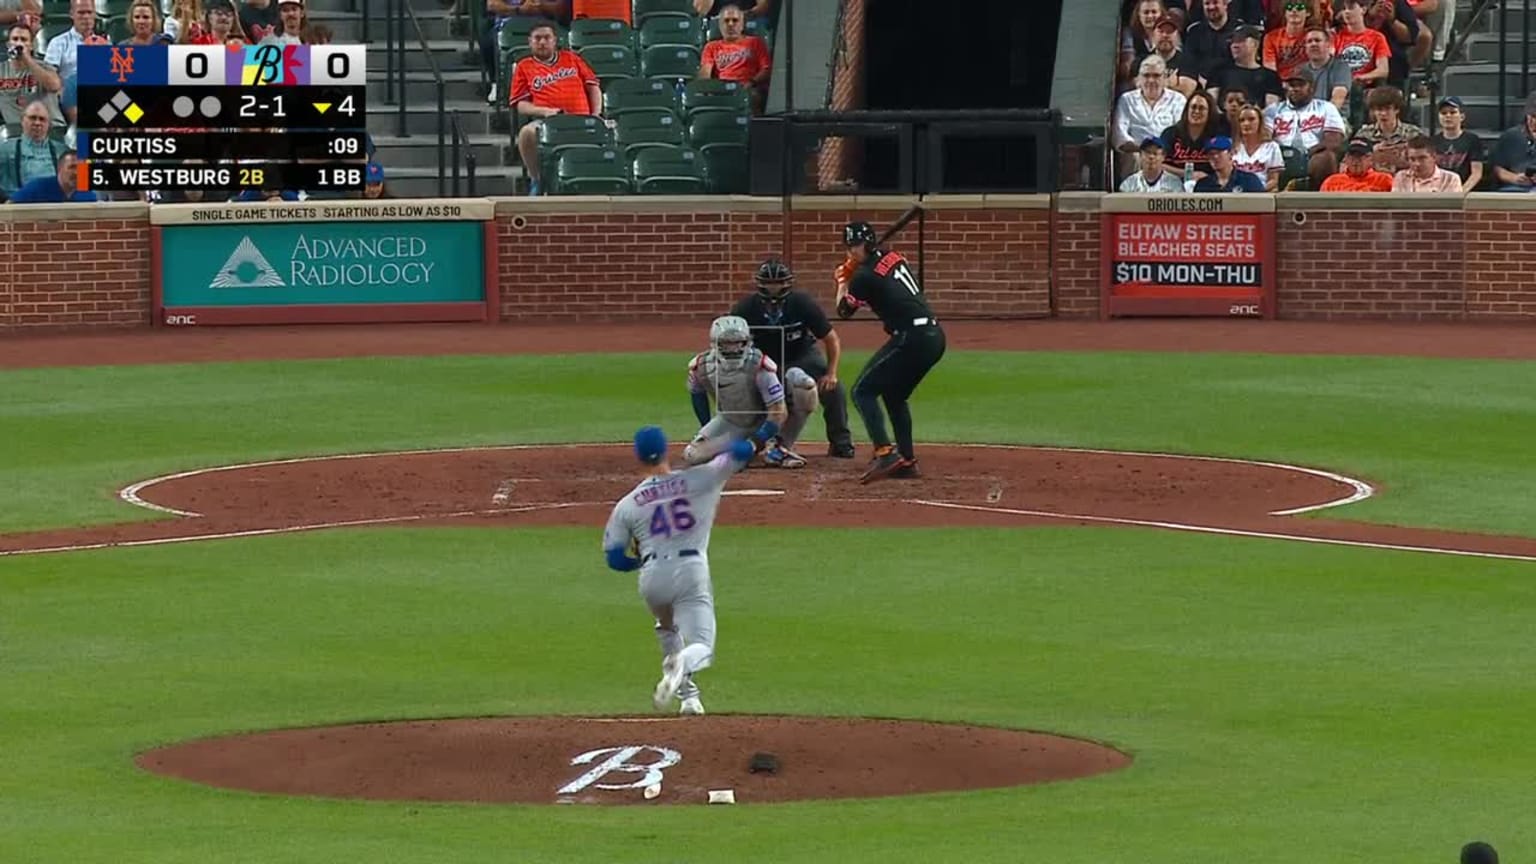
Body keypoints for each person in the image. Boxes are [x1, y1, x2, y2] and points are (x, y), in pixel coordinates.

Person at [602, 425, 757, 716]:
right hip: (690, 570)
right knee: (702, 647)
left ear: (638, 457)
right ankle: (681, 663)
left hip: (652, 576)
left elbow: (614, 558)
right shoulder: (701, 478)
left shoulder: (627, 505)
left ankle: (689, 699)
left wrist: (640, 561)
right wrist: (721, 444)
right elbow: (744, 451)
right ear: (665, 451)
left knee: (666, 626)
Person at [835, 221, 946, 484]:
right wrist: (857, 269)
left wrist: (843, 280)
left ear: (868, 243)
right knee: (895, 396)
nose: (852, 251)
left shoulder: (863, 277)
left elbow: (843, 311)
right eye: (849, 247)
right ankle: (906, 460)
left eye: (856, 246)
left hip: (912, 338)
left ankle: (885, 453)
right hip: (934, 337)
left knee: (862, 391)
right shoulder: (894, 257)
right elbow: (880, 274)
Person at [729, 258, 856, 459]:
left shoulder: (802, 303)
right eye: (769, 283)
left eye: (778, 283)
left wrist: (831, 373)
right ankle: (757, 440)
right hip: (765, 360)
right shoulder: (745, 309)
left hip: (802, 354)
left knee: (835, 391)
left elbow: (832, 339)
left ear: (788, 283)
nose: (774, 288)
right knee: (761, 395)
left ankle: (841, 442)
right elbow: (732, 341)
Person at [683, 314, 808, 469]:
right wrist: (707, 428)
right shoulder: (701, 366)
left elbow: (778, 412)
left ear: (747, 342)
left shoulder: (759, 366)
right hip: (731, 421)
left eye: (737, 343)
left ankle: (772, 445)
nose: (733, 349)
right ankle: (744, 450)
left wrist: (754, 443)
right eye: (727, 344)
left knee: (737, 460)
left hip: (762, 422)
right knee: (693, 455)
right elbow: (697, 394)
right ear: (715, 344)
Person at [508, 20, 601, 196]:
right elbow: (520, 104)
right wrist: (544, 111)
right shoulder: (524, 66)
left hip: (582, 120)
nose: (542, 42)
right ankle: (537, 179)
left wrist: (596, 115)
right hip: (548, 122)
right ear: (530, 42)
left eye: (546, 38)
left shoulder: (571, 58)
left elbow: (593, 87)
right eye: (537, 38)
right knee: (526, 133)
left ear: (555, 40)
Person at [1431, 96, 1485, 192]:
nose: (1448, 116)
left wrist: (1460, 191)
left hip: (1464, 190)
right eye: (1443, 113)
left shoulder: (1472, 140)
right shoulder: (1432, 142)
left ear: (1462, 117)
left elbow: (1476, 173)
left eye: (1453, 112)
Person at [9, 151, 96, 202]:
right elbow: (8, 208)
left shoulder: (88, 195)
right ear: (59, 168)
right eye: (72, 167)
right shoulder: (37, 187)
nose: (77, 173)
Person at [1194, 135, 1267, 190]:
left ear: (1231, 153)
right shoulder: (1203, 185)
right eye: (1211, 154)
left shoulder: (1249, 181)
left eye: (1219, 152)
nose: (1215, 157)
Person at [1392, 134, 1461, 191]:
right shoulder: (1401, 177)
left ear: (1434, 157)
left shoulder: (1451, 179)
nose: (1417, 164)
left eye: (1422, 158)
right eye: (1412, 159)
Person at [1320, 137, 1394, 190]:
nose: (1355, 161)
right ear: (1346, 158)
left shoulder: (1384, 180)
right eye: (1352, 156)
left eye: (1360, 156)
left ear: (1370, 159)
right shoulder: (1331, 182)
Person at [1119, 136, 1186, 191]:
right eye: (1147, 152)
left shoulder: (1174, 183)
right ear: (1140, 155)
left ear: (1163, 157)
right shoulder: (1129, 183)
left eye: (1155, 153)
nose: (1151, 157)